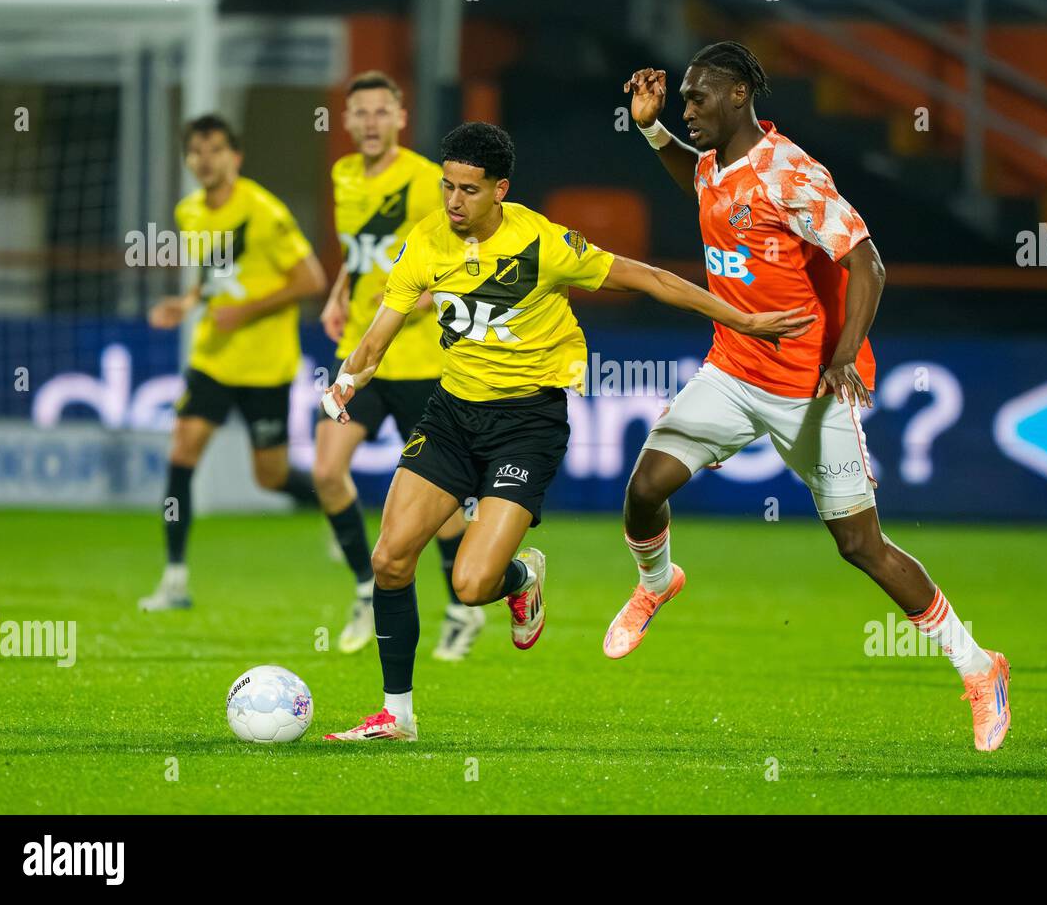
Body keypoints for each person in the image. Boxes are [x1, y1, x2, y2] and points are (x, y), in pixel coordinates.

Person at [322, 121, 814, 741]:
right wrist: (346, 382)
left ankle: (520, 577)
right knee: (390, 560)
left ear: (500, 189)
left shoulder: (543, 243)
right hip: (450, 415)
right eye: (447, 186)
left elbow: (650, 278)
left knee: (471, 585)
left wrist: (744, 320)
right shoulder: (425, 242)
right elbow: (378, 334)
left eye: (468, 190)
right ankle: (398, 715)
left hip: (526, 424)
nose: (453, 201)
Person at [604, 42, 1011, 752]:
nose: (687, 106)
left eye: (699, 97)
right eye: (684, 97)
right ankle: (657, 583)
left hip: (807, 391)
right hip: (731, 373)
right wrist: (650, 130)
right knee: (644, 488)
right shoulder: (715, 166)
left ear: (739, 97)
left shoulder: (790, 173)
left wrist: (846, 353)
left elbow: (867, 263)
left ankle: (980, 668)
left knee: (862, 547)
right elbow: (697, 182)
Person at [318, 71, 478, 659]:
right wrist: (340, 292)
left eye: (381, 111)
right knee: (327, 472)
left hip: (419, 362)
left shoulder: (423, 182)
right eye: (360, 112)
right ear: (348, 120)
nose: (370, 122)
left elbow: (462, 261)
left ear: (400, 117)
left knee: (436, 509)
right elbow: (360, 249)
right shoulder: (343, 176)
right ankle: (366, 586)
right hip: (360, 358)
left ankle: (462, 609)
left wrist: (410, 303)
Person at [140, 114, 326, 611]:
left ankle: (331, 501)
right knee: (182, 453)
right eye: (197, 151)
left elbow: (312, 280)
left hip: (265, 365)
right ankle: (174, 579)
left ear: (235, 156)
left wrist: (246, 311)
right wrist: (189, 302)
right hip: (213, 360)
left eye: (217, 149)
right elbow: (217, 271)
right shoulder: (189, 213)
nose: (206, 159)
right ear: (188, 159)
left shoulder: (264, 211)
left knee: (270, 477)